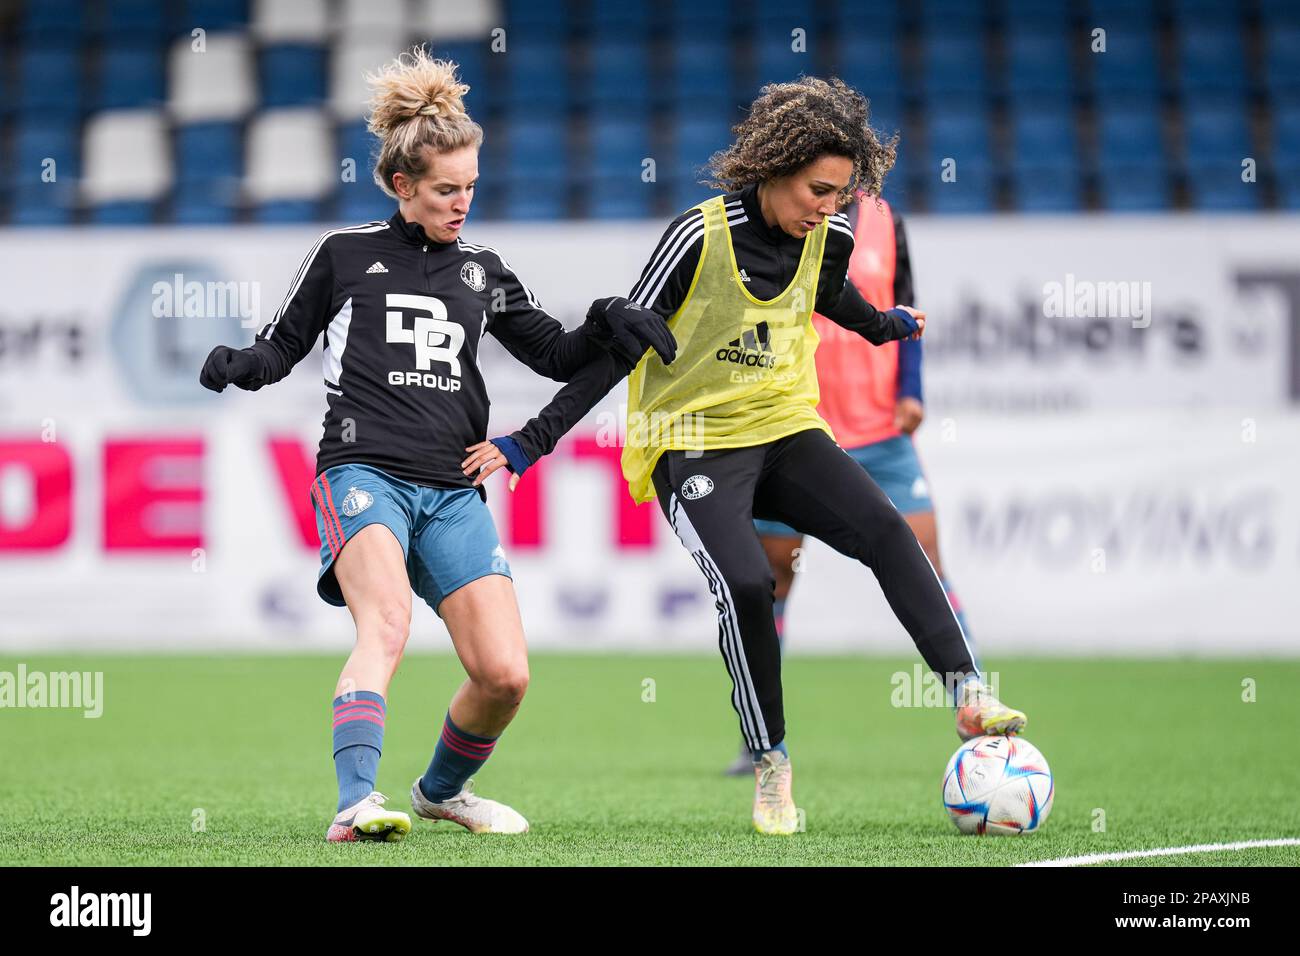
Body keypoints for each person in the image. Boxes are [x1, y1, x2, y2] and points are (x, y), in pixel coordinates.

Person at [468, 78, 1026, 836]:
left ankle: (967, 691)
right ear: (773, 167)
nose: (827, 206)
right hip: (691, 441)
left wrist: (886, 326)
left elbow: (834, 299)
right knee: (748, 582)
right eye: (815, 190)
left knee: (888, 531)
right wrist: (531, 441)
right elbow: (615, 352)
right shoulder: (698, 237)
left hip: (785, 426)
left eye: (840, 194)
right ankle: (771, 763)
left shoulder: (829, 238)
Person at [198, 49, 673, 843]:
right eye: (446, 190)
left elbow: (556, 356)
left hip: (453, 490)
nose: (462, 203)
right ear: (401, 185)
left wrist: (602, 323)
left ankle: (440, 792)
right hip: (361, 471)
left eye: (471, 188)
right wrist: (243, 365)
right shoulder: (343, 254)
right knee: (384, 626)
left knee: (505, 676)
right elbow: (280, 349)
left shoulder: (484, 271)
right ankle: (355, 804)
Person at [722, 194, 981, 776]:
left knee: (924, 560)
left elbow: (906, 311)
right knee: (771, 579)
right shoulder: (778, 220)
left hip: (879, 429)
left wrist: (911, 389)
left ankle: (975, 707)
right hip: (792, 428)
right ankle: (760, 737)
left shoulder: (889, 224)